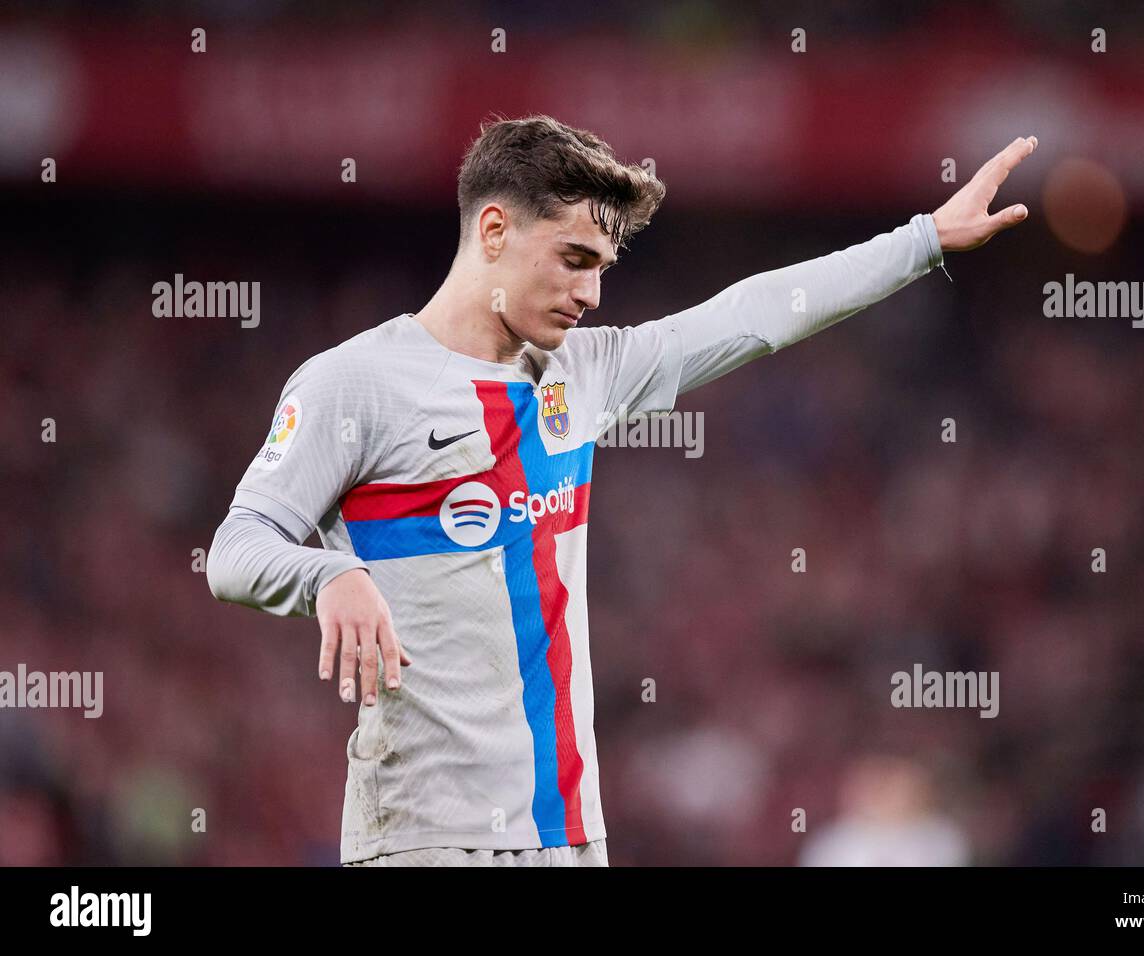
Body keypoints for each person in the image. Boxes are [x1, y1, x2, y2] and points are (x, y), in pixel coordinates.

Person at [207, 114, 1037, 866]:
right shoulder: (356, 385)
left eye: (602, 268)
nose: (591, 294)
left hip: (571, 835)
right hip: (427, 836)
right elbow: (237, 549)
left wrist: (925, 237)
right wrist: (329, 575)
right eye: (573, 260)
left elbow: (753, 314)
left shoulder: (586, 374)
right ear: (493, 230)